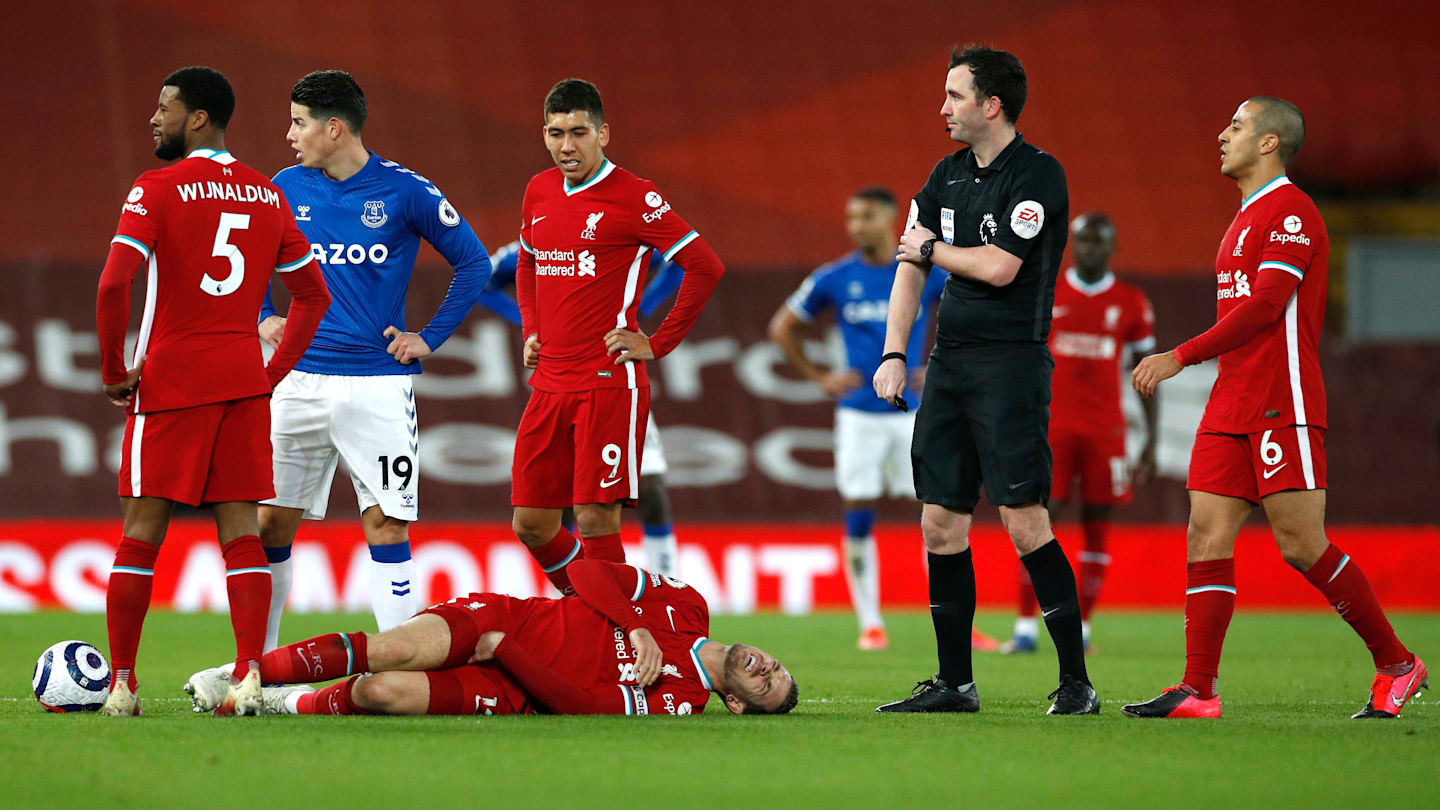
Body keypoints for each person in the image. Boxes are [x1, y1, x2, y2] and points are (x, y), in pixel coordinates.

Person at [1124, 97, 1428, 719]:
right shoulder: (1242, 218)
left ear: (1268, 143)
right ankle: (1199, 689)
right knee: (1205, 532)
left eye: (1236, 126)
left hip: (1279, 399)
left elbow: (1265, 308)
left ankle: (1398, 664)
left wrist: (1180, 356)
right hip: (1230, 402)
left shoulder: (1292, 211)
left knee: (1300, 543)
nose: (1222, 134)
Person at [96, 66, 330, 717]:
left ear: (196, 118)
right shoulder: (267, 194)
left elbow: (114, 284)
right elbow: (313, 295)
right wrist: (270, 375)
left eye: (164, 107)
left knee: (142, 532)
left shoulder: (156, 187)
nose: (154, 118)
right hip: (241, 386)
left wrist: (114, 370)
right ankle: (249, 677)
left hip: (171, 381)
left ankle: (122, 685)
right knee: (241, 535)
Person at [871, 46, 1098, 715]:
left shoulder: (1038, 174)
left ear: (991, 105)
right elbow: (909, 266)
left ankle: (1076, 683)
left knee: (1024, 521)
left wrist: (930, 248)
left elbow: (1000, 268)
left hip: (1010, 364)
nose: (942, 107)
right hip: (950, 363)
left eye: (954, 95)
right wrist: (893, 352)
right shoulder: (945, 175)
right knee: (939, 520)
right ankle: (955, 684)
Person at [254, 70, 492, 646]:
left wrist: (428, 337)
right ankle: (255, 666)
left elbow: (475, 263)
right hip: (297, 379)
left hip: (377, 385)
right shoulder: (284, 187)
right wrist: (263, 315)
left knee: (387, 524)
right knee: (269, 523)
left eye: (299, 122)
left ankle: (400, 664)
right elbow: (250, 255)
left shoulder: (406, 191)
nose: (290, 134)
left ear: (334, 128)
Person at [510, 79, 724, 592]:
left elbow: (705, 266)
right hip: (549, 381)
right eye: (556, 133)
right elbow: (528, 262)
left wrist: (658, 342)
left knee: (594, 518)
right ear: (544, 134)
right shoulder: (539, 190)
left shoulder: (635, 196)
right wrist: (532, 329)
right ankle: (594, 608)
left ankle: (618, 631)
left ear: (603, 134)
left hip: (607, 383)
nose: (567, 146)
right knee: (531, 524)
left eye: (579, 133)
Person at [185, 559, 798, 717]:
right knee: (395, 647)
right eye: (776, 666)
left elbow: (579, 704)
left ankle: (283, 701)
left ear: (735, 702)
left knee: (379, 692)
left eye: (764, 686)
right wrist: (636, 624)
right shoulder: (687, 605)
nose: (765, 667)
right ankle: (243, 674)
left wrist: (506, 653)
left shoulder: (680, 701)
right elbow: (585, 573)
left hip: (513, 686)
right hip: (508, 616)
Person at [769, 186, 949, 652]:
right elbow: (781, 328)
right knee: (859, 511)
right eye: (851, 217)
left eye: (866, 216)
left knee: (936, 514)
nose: (856, 226)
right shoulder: (835, 276)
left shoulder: (924, 269)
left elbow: (970, 310)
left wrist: (941, 364)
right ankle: (870, 623)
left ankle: (953, 622)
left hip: (911, 413)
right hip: (858, 417)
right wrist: (819, 377)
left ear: (890, 219)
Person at [1000, 213, 1157, 654]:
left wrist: (1150, 438)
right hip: (1050, 427)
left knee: (1097, 526)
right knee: (1037, 522)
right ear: (1072, 244)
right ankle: (1026, 627)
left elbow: (1148, 373)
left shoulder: (1131, 302)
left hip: (1106, 430)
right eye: (1083, 240)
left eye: (1099, 241)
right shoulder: (1047, 291)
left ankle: (1083, 628)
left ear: (1113, 247)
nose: (1090, 248)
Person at [487, 240, 685, 576]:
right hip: (561, 379)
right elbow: (482, 279)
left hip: (616, 377)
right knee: (564, 499)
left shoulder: (616, 235)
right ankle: (578, 592)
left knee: (649, 486)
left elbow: (679, 260)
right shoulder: (535, 243)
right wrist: (530, 327)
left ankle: (667, 584)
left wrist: (643, 310)